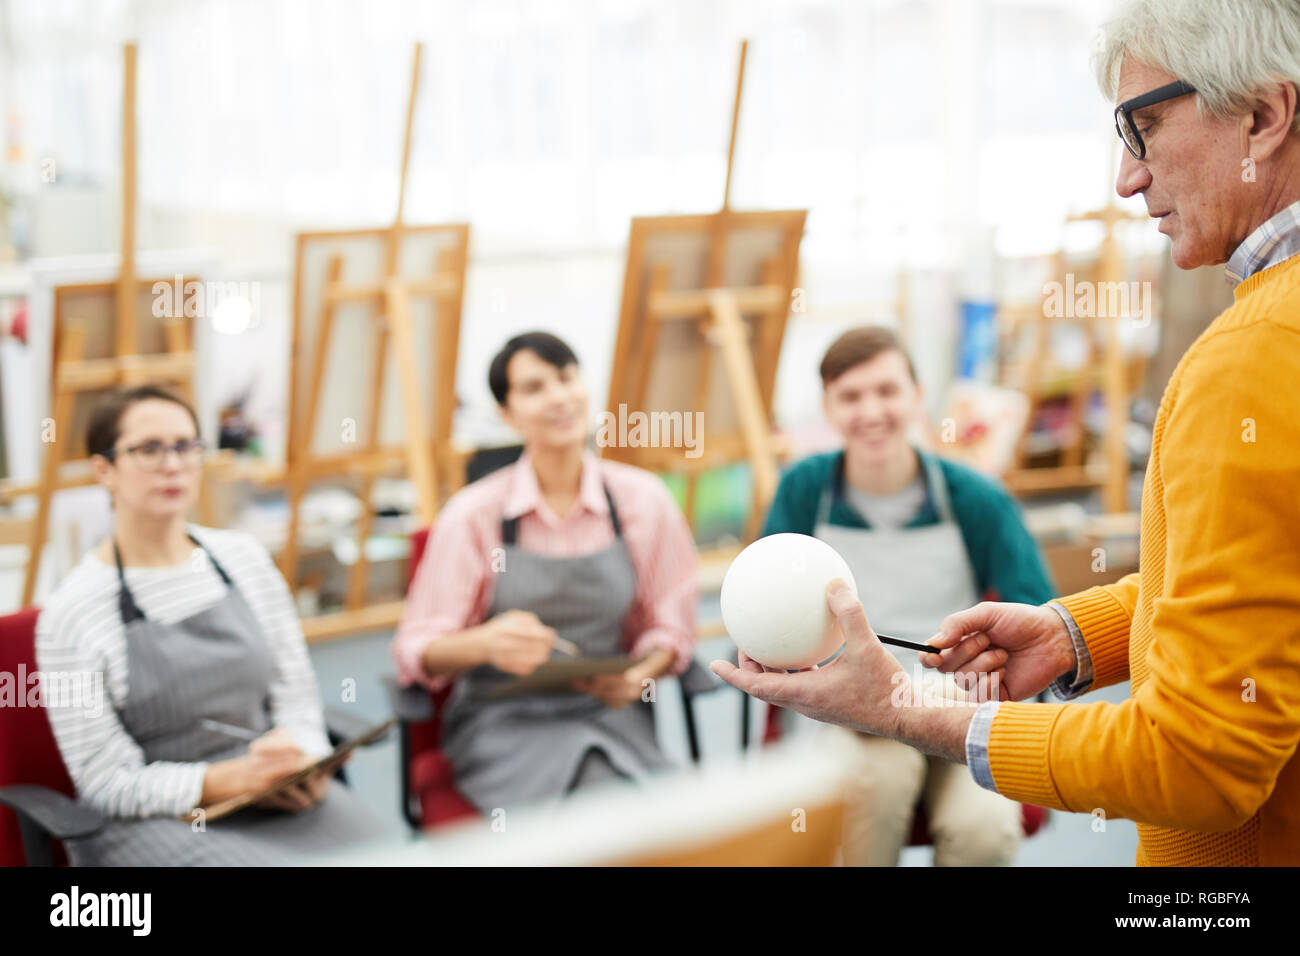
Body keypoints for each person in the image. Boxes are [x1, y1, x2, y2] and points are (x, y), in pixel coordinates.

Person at [713, 0, 1300, 866]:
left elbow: (1199, 763)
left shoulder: (1254, 357)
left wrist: (905, 710)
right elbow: (1261, 596)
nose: (1127, 180)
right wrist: (1073, 636)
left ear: (1262, 114)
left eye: (1143, 126)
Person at [37, 384, 385, 865]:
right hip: (160, 819)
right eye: (149, 449)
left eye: (185, 446)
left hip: (275, 792)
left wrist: (301, 761)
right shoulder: (73, 612)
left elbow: (297, 696)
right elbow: (104, 783)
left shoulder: (243, 560)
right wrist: (227, 781)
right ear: (104, 470)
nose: (173, 464)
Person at [761, 326, 1053, 865]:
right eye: (850, 396)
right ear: (827, 406)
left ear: (918, 398)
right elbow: (765, 608)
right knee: (882, 780)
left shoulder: (978, 499)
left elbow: (1036, 618)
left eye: (887, 391)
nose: (871, 411)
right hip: (847, 711)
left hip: (960, 707)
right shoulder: (803, 490)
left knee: (986, 828)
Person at [392, 331, 698, 812]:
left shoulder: (644, 500)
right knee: (604, 808)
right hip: (503, 724)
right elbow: (416, 650)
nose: (558, 397)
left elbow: (670, 624)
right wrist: (484, 643)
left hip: (612, 714)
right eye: (534, 388)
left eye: (566, 377)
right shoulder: (474, 515)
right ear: (507, 414)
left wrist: (642, 674)